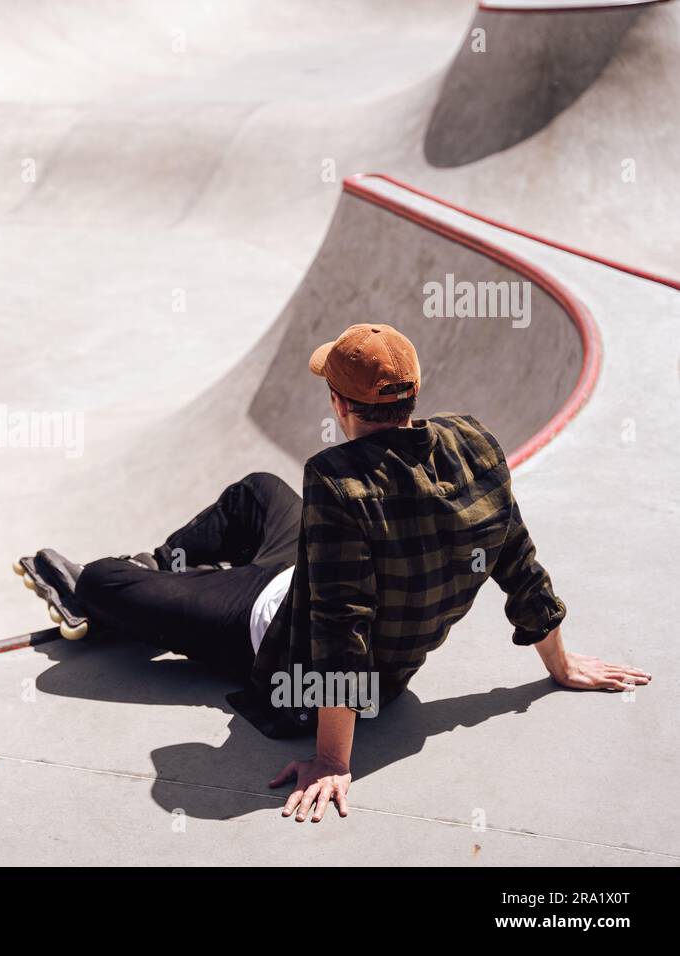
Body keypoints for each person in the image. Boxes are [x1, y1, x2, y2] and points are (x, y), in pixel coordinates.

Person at [33, 322, 652, 824]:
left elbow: (340, 624)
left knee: (102, 580)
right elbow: (517, 558)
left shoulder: (336, 478)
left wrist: (331, 760)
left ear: (337, 403)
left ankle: (116, 594)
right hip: (306, 578)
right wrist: (560, 665)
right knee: (259, 490)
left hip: (268, 633)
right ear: (414, 393)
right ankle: (170, 570)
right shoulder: (474, 442)